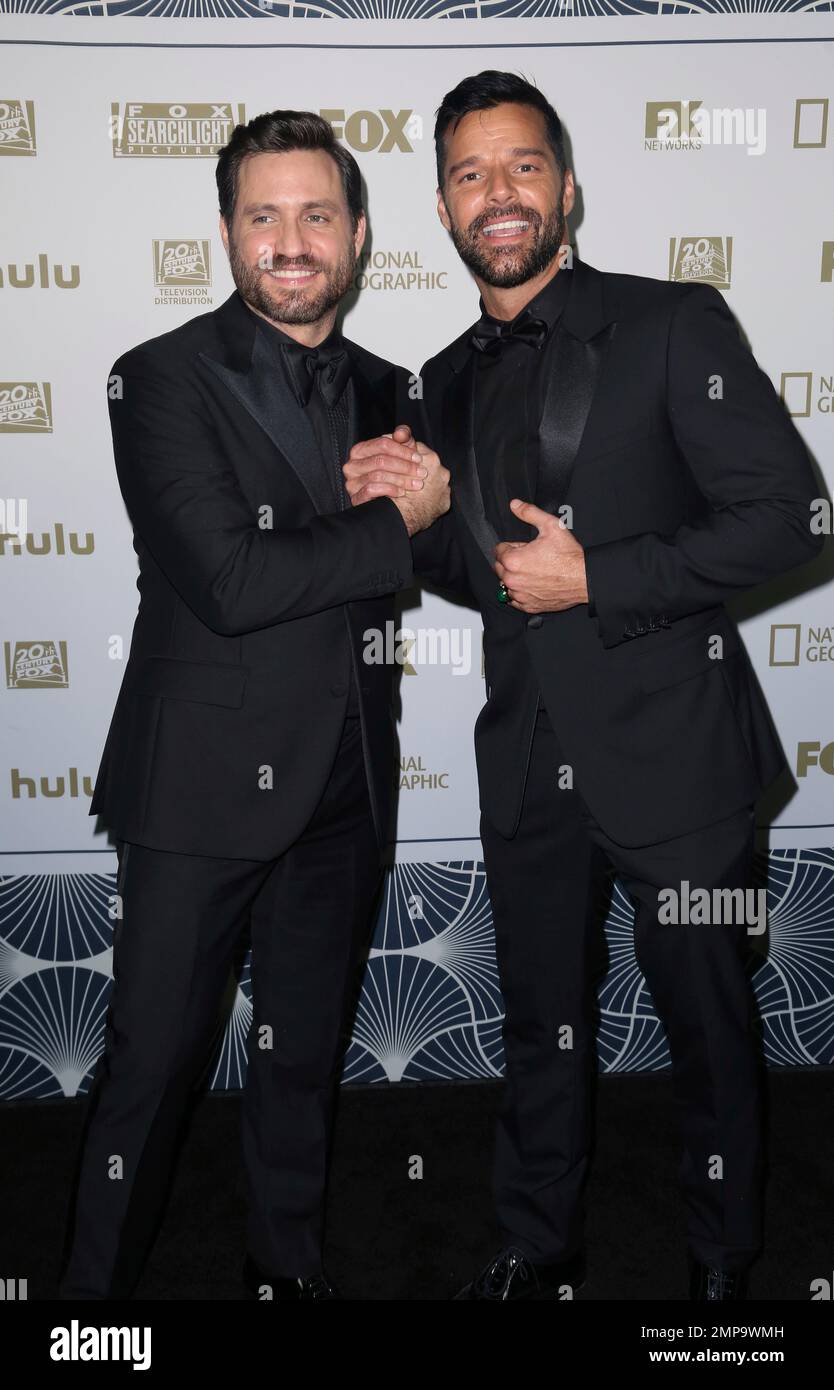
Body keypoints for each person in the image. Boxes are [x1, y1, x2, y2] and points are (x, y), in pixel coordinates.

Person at [344, 70, 823, 1302]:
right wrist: (424, 522)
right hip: (529, 763)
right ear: (444, 209)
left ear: (565, 185)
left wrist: (599, 577)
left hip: (679, 763)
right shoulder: (437, 378)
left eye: (520, 166)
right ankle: (536, 1240)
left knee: (711, 1032)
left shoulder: (672, 324)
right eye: (467, 173)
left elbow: (789, 517)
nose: (496, 195)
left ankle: (725, 1264)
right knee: (540, 1027)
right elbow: (491, 575)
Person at [58, 109, 448, 1302]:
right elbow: (230, 580)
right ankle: (85, 1312)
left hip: (343, 785)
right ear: (226, 233)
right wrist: (396, 520)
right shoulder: (160, 375)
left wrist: (445, 507)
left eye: (315, 213)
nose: (290, 239)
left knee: (301, 1065)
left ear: (359, 233)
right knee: (151, 1068)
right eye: (262, 215)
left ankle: (284, 1278)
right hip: (199, 791)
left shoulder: (395, 386)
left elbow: (437, 560)